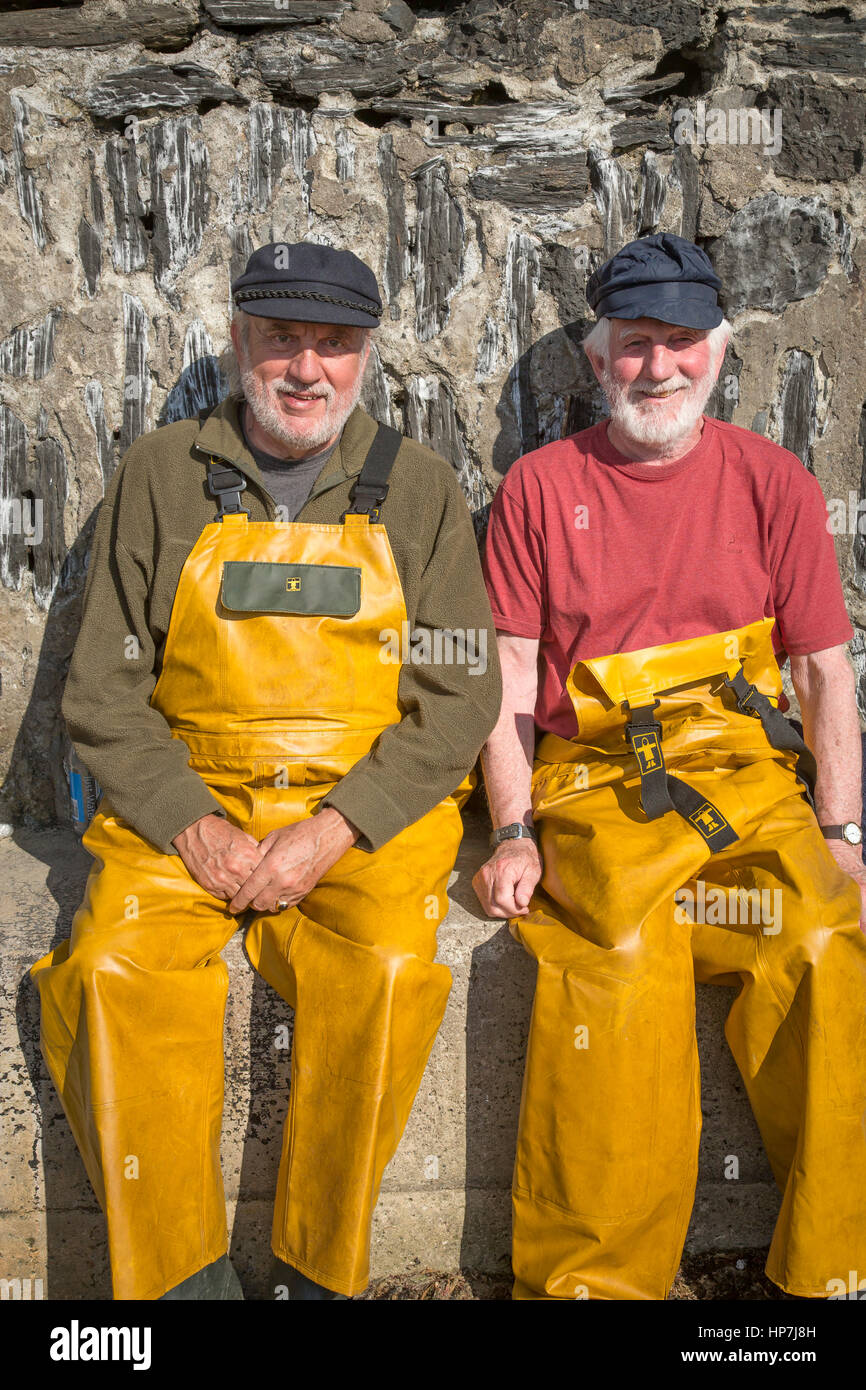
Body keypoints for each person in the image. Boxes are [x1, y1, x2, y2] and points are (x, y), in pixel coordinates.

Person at [32, 242, 501, 1301]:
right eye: (280, 338)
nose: (305, 367)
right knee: (110, 969)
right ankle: (180, 1283)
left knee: (384, 977)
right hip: (188, 805)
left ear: (364, 356)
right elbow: (102, 691)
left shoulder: (418, 489)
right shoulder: (159, 472)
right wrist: (192, 825)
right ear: (238, 341)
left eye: (333, 344)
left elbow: (460, 694)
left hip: (356, 815)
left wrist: (334, 828)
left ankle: (312, 1274)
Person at [473, 231, 866, 1301]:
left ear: (718, 350)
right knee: (619, 955)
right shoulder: (538, 489)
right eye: (635, 344)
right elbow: (506, 681)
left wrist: (840, 836)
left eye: (680, 342)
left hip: (747, 775)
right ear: (597, 358)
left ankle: (833, 1270)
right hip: (596, 785)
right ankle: (593, 1285)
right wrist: (511, 830)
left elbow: (824, 675)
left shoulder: (770, 480)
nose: (659, 367)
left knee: (824, 938)